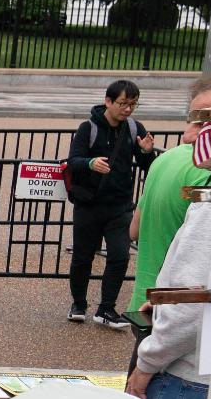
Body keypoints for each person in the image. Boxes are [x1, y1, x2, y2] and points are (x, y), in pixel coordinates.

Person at [126, 104, 211, 399]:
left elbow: (193, 300)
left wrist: (147, 363)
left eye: (201, 123)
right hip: (193, 351)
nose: (189, 136)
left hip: (186, 372)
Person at [126, 76, 211, 349]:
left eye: (202, 121)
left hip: (145, 300)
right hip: (177, 316)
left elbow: (134, 230)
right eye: (195, 120)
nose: (189, 135)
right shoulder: (208, 173)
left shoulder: (165, 159)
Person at [65, 80, 155, 329]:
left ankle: (106, 309)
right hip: (89, 204)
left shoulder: (135, 128)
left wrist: (147, 152)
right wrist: (91, 163)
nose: (127, 109)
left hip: (120, 206)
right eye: (123, 103)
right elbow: (73, 161)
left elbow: (149, 168)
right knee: (83, 257)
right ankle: (79, 304)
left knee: (119, 255)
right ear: (108, 101)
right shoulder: (88, 128)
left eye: (133, 105)